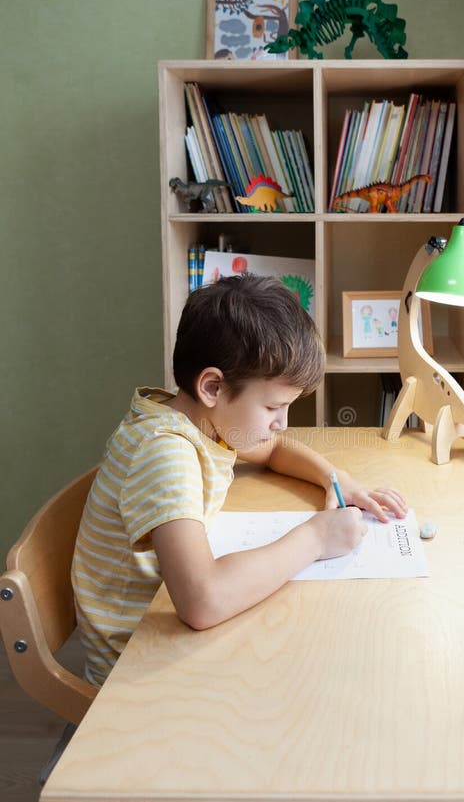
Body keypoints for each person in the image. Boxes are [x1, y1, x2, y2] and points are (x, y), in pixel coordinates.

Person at [72, 275, 407, 686]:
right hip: (136, 663)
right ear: (212, 386)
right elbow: (203, 601)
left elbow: (272, 449)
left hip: (166, 627)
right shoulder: (164, 450)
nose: (282, 422)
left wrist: (337, 479)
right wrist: (315, 539)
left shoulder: (199, 418)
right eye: (272, 406)